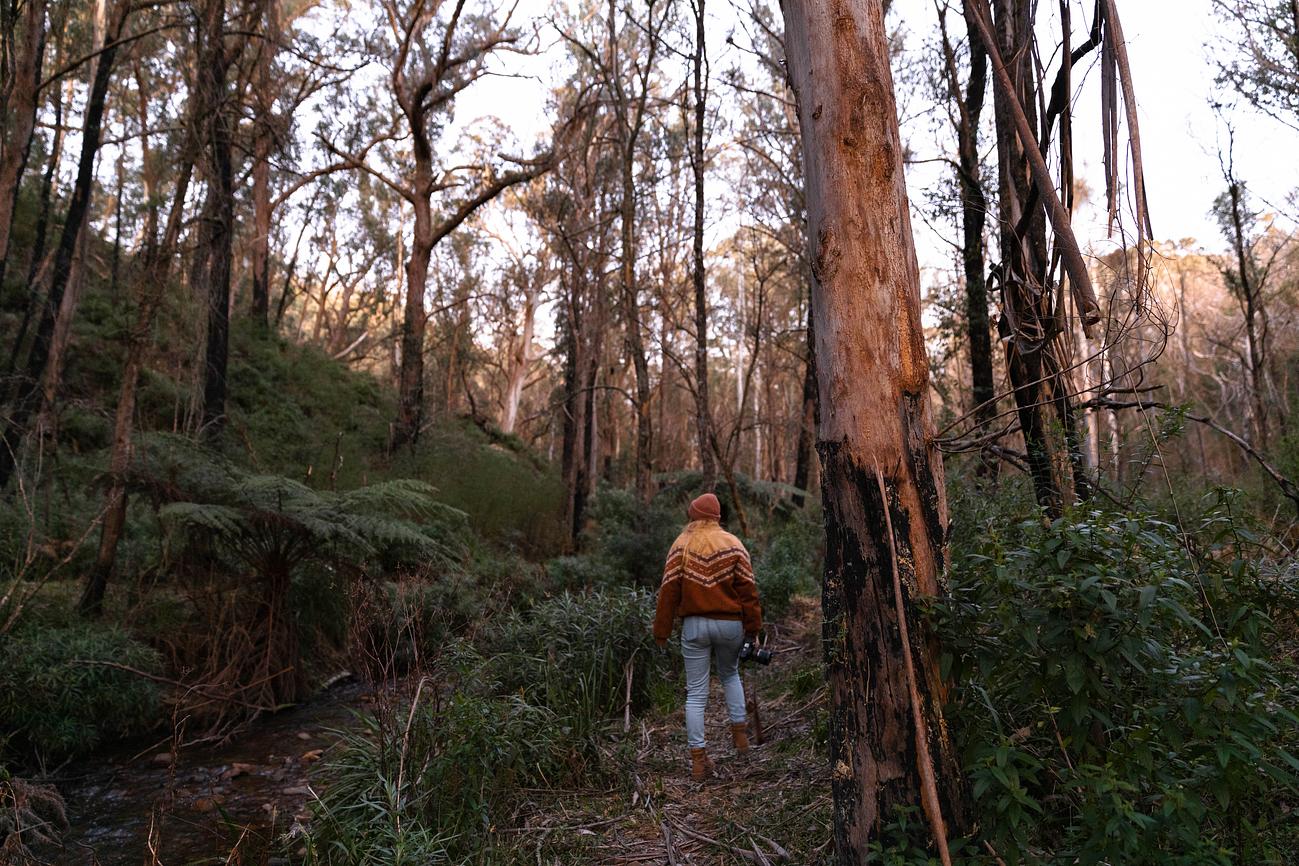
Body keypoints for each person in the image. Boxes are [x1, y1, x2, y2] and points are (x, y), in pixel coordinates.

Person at [652, 492, 763, 781]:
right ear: (717, 517)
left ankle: (699, 760)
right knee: (729, 674)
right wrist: (753, 630)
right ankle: (741, 738)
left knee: (696, 694)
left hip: (694, 626)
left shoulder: (681, 545)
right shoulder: (733, 544)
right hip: (730, 626)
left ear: (693, 515)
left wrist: (661, 631)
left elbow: (668, 593)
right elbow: (749, 593)